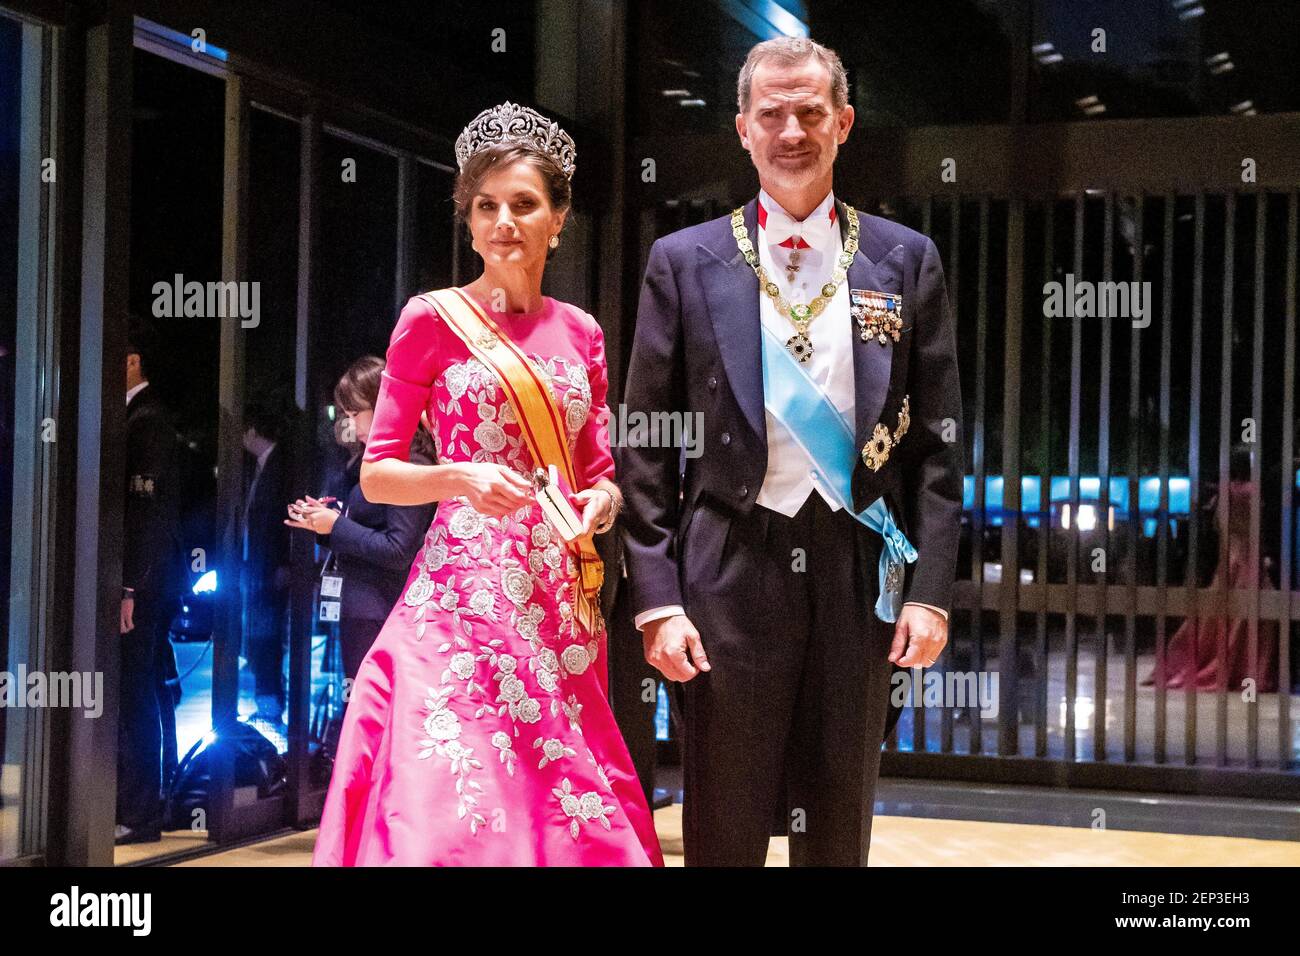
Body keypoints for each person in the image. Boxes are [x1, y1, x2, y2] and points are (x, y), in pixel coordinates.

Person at [618, 37, 964, 866]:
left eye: (810, 112)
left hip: (859, 569)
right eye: (770, 114)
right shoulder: (684, 260)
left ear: (843, 123)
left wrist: (933, 593)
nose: (791, 131)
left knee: (838, 820)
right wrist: (656, 598)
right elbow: (644, 446)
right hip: (728, 569)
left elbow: (939, 446)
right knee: (726, 822)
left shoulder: (905, 259)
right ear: (743, 129)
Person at [312, 102, 664, 866]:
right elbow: (380, 471)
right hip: (462, 592)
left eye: (524, 204)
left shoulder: (583, 332)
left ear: (558, 219)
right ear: (468, 222)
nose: (504, 221)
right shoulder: (431, 319)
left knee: (557, 794)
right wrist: (459, 476)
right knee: (457, 794)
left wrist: (600, 504)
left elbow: (599, 471)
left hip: (560, 590)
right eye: (486, 206)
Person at [284, 356, 437, 682]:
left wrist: (335, 525)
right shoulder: (386, 457)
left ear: (383, 404)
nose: (350, 425)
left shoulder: (410, 459)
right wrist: (327, 523)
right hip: (367, 609)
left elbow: (398, 549)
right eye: (346, 415)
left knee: (372, 718)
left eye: (355, 414)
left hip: (382, 612)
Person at [117, 333, 183, 845]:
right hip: (144, 581)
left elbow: (151, 518)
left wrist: (132, 589)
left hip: (143, 584)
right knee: (144, 694)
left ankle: (141, 814)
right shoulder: (143, 419)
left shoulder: (147, 421)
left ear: (133, 360)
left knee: (137, 696)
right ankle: (146, 808)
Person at [241, 396, 292, 724]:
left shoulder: (279, 468)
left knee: (267, 633)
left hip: (269, 567)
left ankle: (270, 700)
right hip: (259, 566)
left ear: (252, 432)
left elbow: (281, 520)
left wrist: (285, 563)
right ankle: (268, 699)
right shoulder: (263, 468)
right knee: (262, 631)